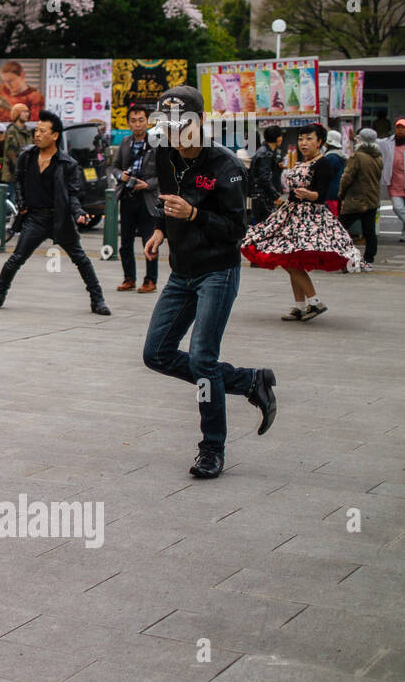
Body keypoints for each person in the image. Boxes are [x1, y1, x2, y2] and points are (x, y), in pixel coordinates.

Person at [140, 85, 277, 480]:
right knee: (156, 354)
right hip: (181, 272)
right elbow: (168, 201)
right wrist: (161, 229)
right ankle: (250, 381)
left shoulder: (226, 166)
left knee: (202, 359)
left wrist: (194, 216)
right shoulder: (165, 155)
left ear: (199, 123)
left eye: (180, 127)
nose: (173, 135)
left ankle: (211, 448)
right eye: (166, 127)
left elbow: (237, 230)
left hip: (218, 271)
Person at [0, 110, 109, 315]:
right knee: (16, 258)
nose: (37, 135)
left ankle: (98, 300)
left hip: (60, 218)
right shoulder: (27, 156)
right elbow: (19, 181)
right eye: (36, 131)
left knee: (81, 259)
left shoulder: (68, 163)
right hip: (35, 218)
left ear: (55, 135)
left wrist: (78, 212)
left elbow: (73, 194)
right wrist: (22, 202)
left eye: (43, 131)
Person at [241, 122, 359, 320]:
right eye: (301, 139)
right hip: (290, 213)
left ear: (319, 142)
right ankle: (301, 305)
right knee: (289, 261)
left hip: (307, 218)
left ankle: (314, 302)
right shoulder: (300, 162)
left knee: (291, 260)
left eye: (309, 139)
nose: (304, 143)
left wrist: (308, 194)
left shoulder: (324, 163)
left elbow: (320, 196)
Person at [106, 104, 159, 293]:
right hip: (128, 197)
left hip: (147, 199)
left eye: (141, 120)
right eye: (133, 121)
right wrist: (121, 176)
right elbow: (115, 166)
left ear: (147, 122)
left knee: (149, 241)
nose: (137, 125)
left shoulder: (156, 143)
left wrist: (148, 184)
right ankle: (129, 278)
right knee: (125, 241)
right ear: (128, 123)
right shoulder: (125, 142)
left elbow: (164, 173)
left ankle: (150, 280)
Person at [338, 128, 383, 271]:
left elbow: (347, 177)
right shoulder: (378, 157)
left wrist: (341, 193)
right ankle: (368, 260)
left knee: (339, 228)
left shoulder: (358, 156)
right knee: (369, 231)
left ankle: (343, 259)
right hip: (372, 199)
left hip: (357, 199)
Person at [249, 125, 284, 228]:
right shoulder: (266, 154)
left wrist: (277, 167)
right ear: (278, 138)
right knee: (267, 227)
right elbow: (264, 178)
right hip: (264, 198)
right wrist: (275, 196)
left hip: (260, 197)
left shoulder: (263, 151)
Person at [380, 118, 405, 243]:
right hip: (394, 182)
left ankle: (404, 235)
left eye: (403, 128)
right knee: (398, 207)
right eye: (398, 127)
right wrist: (356, 138)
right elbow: (374, 141)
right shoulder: (388, 142)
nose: (400, 130)